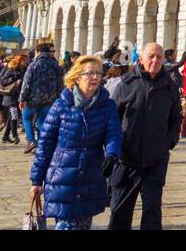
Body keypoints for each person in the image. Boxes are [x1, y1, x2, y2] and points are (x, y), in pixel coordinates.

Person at [28, 55, 122, 230]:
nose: (95, 77)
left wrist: (112, 154)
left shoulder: (107, 105)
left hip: (91, 175)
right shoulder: (61, 105)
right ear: (77, 77)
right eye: (90, 73)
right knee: (66, 225)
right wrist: (36, 181)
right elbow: (45, 144)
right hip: (62, 176)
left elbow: (114, 134)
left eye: (98, 73)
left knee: (84, 225)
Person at [109, 42, 181, 229]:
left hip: (156, 158)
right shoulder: (126, 84)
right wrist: (114, 147)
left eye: (159, 57)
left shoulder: (170, 87)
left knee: (152, 210)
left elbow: (175, 120)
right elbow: (112, 119)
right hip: (127, 159)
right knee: (120, 211)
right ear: (141, 59)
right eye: (151, 56)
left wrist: (169, 141)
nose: (155, 60)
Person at [19, 42, 64, 154]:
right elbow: (60, 83)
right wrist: (58, 97)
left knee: (26, 117)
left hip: (33, 98)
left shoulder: (34, 64)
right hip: (49, 99)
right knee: (42, 121)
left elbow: (26, 83)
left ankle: (31, 141)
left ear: (38, 52)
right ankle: (41, 144)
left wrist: (22, 99)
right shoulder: (55, 64)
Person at [0, 54, 26, 144]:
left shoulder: (24, 70)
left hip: (18, 97)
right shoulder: (11, 70)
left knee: (11, 118)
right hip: (10, 98)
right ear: (19, 61)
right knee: (14, 116)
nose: (26, 62)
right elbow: (3, 82)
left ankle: (5, 136)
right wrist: (14, 79)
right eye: (24, 60)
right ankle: (15, 136)